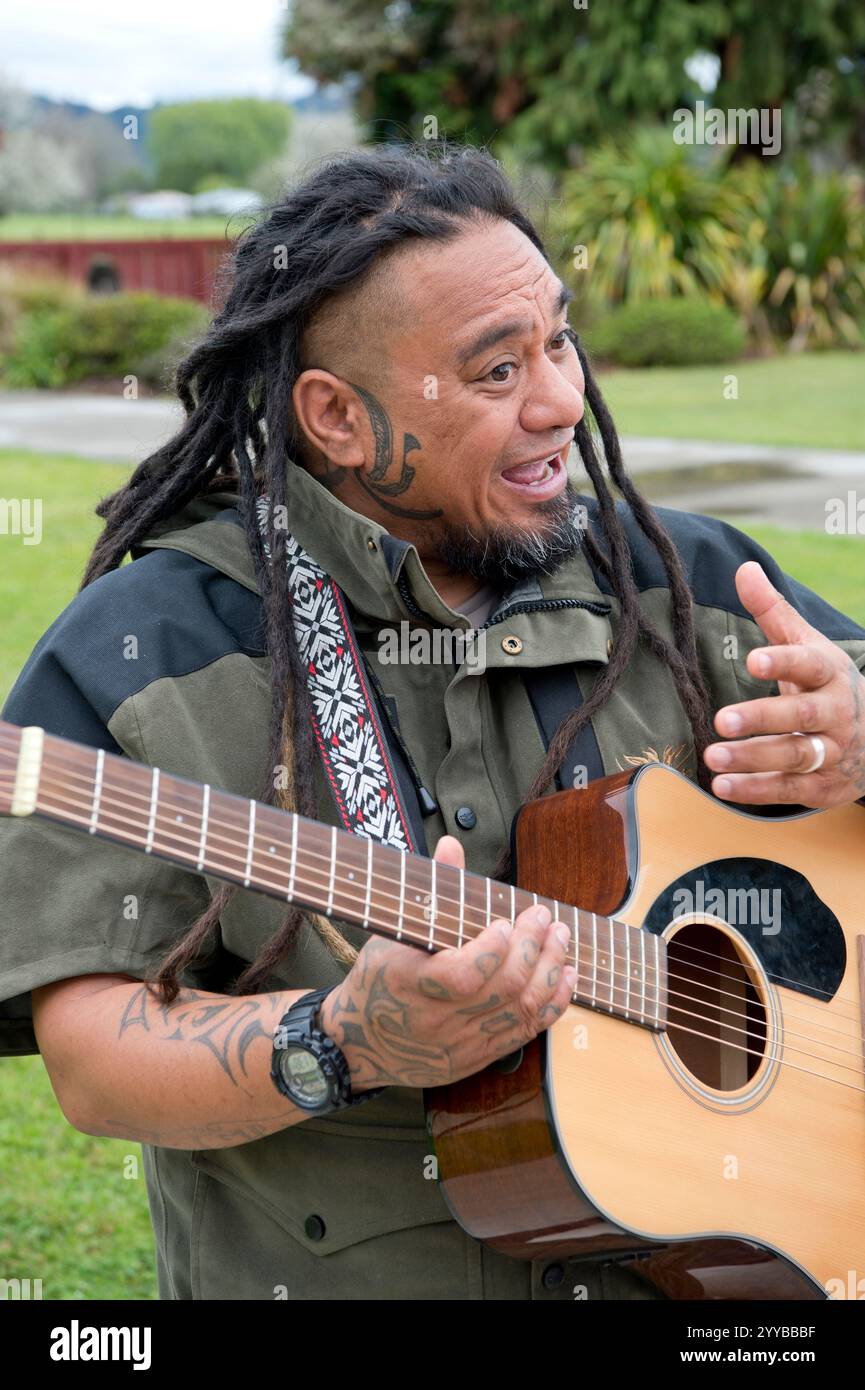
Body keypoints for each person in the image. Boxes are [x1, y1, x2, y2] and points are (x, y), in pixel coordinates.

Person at [1, 141, 864, 1302]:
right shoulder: (156, 653)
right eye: (495, 370)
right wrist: (342, 1039)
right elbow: (93, 1060)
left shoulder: (686, 584)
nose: (561, 398)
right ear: (338, 419)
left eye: (556, 339)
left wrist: (855, 731)